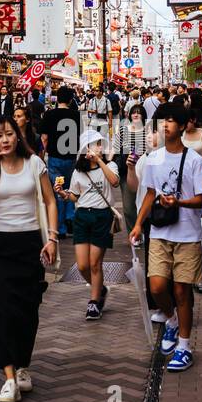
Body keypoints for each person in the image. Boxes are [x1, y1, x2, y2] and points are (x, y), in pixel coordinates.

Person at [0, 115, 58, 402]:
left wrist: (52, 238)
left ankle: (22, 366)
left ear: (17, 136)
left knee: (28, 309)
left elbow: (49, 200)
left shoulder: (34, 163)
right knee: (2, 309)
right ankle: (9, 378)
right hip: (0, 245)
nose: (5, 140)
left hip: (31, 242)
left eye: (9, 134)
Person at [129, 104, 202, 371]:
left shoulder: (195, 161)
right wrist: (139, 224)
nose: (165, 126)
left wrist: (179, 203)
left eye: (171, 121)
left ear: (183, 125)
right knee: (156, 288)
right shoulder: (154, 159)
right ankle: (171, 321)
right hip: (160, 233)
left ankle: (184, 347)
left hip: (187, 234)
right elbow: (150, 193)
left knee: (181, 291)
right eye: (163, 121)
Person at [57, 128, 120, 321]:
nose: (99, 147)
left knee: (95, 263)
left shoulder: (110, 165)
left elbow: (115, 182)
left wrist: (100, 160)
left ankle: (94, 302)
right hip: (82, 216)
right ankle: (99, 289)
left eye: (101, 144)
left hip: (102, 217)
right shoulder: (78, 171)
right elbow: (76, 196)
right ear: (86, 149)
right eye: (96, 144)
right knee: (83, 265)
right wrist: (63, 194)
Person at [40, 86, 80, 239]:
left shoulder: (49, 114)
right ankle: (71, 217)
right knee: (70, 188)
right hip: (71, 158)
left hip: (55, 158)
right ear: (70, 100)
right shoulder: (77, 115)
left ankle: (61, 227)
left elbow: (44, 138)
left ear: (57, 98)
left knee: (58, 189)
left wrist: (43, 155)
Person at [115, 102, 148, 228]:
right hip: (126, 171)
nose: (136, 115)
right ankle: (133, 233)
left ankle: (143, 230)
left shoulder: (149, 131)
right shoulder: (123, 131)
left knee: (144, 203)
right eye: (134, 112)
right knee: (129, 208)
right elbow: (116, 149)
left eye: (139, 113)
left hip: (145, 172)